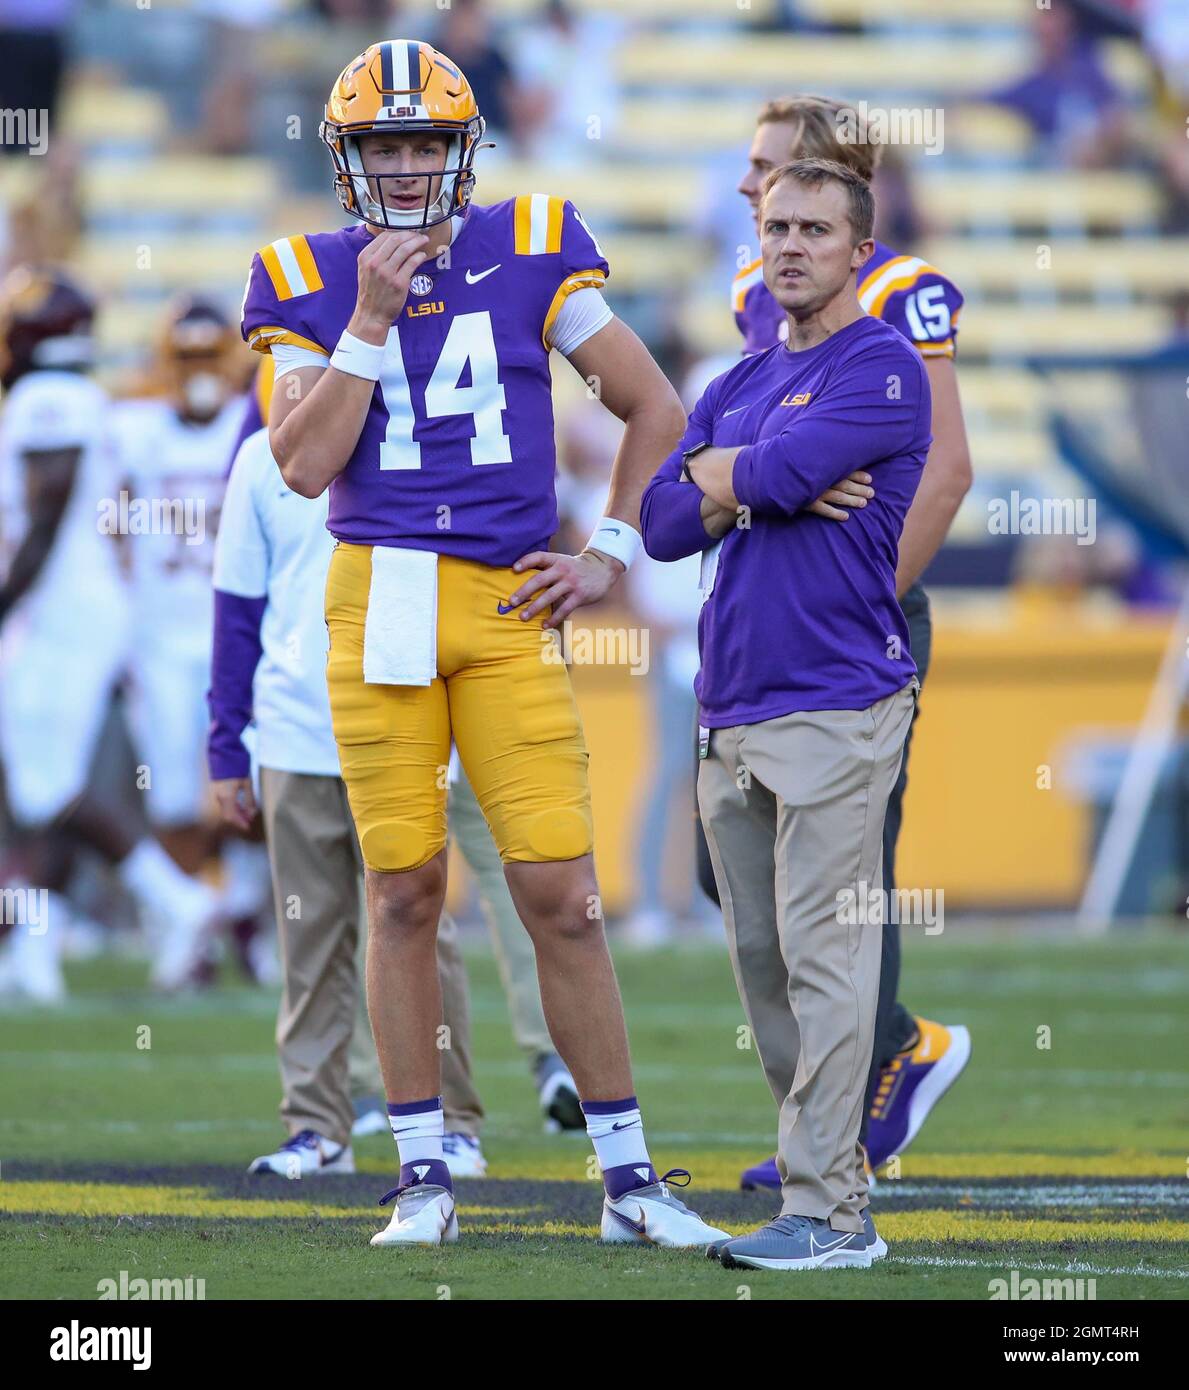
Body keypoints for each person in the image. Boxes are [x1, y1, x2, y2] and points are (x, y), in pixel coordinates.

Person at [239, 38, 727, 1250]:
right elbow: (300, 466)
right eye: (382, 147)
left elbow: (654, 403)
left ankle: (627, 1179)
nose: (404, 168)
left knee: (561, 894)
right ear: (348, 159)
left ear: (460, 151)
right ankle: (420, 1174)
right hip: (380, 597)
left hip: (508, 598)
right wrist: (365, 316)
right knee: (403, 889)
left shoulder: (535, 242)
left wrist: (609, 549)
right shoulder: (302, 273)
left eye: (422, 144)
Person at [642, 157, 930, 1271]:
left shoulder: (884, 365)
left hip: (839, 699)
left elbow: (767, 477)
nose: (791, 245)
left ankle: (828, 1211)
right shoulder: (736, 379)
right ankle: (829, 1192)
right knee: (763, 964)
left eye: (815, 228)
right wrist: (744, 475)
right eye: (775, 226)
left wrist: (739, 479)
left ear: (860, 248)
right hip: (733, 704)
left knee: (825, 957)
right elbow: (663, 522)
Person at [724, 96, 973, 1191]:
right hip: (764, 611)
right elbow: (737, 456)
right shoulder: (755, 296)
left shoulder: (898, 292)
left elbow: (948, 467)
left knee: (842, 871)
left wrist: (868, 588)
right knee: (735, 867)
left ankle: (882, 1071)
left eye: (769, 167)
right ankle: (861, 1073)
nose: (750, 188)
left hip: (857, 610)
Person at [0, 269, 218, 1000]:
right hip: (77, 608)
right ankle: (33, 951)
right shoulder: (75, 398)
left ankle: (177, 900)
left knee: (41, 788)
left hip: (63, 612)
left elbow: (48, 516)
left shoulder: (48, 398)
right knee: (37, 784)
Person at [111, 297, 273, 982]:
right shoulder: (133, 431)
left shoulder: (255, 424)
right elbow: (108, 530)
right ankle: (199, 926)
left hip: (241, 632)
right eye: (189, 356)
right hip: (163, 639)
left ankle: (246, 910)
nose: (201, 372)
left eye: (212, 355)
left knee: (266, 787)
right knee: (176, 799)